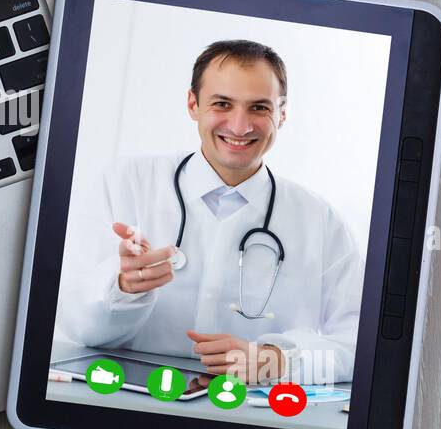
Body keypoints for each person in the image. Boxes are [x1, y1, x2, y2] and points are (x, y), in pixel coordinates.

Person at [57, 40, 363, 385]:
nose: (239, 126)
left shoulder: (320, 221)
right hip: (120, 398)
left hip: (246, 419)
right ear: (193, 104)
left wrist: (278, 361)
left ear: (282, 113)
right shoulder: (126, 182)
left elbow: (360, 347)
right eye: (222, 104)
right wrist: (123, 286)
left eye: (259, 108)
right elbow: (74, 326)